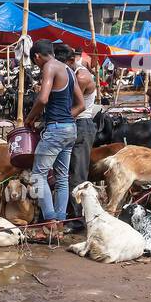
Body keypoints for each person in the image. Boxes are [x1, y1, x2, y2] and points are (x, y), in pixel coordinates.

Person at [24, 40, 84, 237]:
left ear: (37, 57)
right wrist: (65, 121)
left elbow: (42, 99)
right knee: (62, 178)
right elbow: (80, 104)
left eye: (36, 62)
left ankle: (49, 222)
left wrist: (30, 118)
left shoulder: (49, 67)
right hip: (70, 129)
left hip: (56, 130)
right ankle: (59, 223)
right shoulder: (67, 69)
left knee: (38, 175)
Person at [66, 48, 100, 225]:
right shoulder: (73, 73)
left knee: (78, 175)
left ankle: (79, 220)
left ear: (70, 61)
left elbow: (72, 105)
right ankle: (70, 214)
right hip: (74, 124)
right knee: (67, 173)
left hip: (81, 124)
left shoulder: (81, 77)